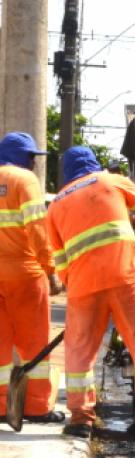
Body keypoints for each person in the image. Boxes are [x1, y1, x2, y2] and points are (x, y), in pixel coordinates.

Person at [45, 146, 135, 439]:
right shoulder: (110, 180)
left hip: (83, 287)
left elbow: (60, 261)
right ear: (94, 164)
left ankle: (80, 420)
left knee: (79, 353)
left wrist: (76, 283)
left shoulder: (56, 206)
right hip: (125, 277)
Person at [0, 132, 62, 424]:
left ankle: (2, 407)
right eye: (33, 157)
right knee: (34, 343)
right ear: (25, 158)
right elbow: (37, 228)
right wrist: (50, 270)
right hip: (25, 274)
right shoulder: (24, 180)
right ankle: (36, 407)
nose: (35, 163)